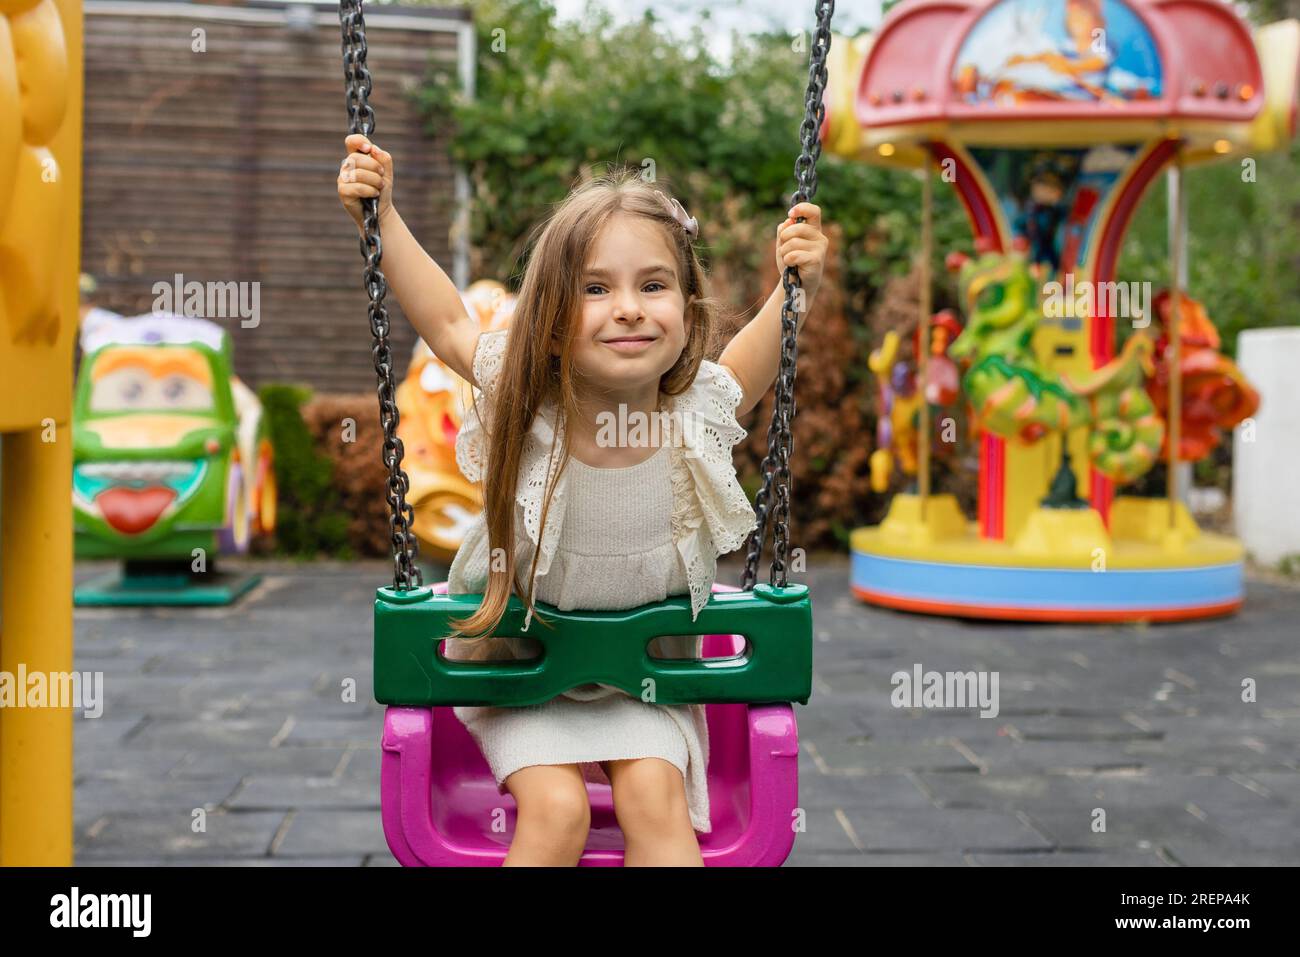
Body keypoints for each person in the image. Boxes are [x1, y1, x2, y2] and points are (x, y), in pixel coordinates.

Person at [337, 135, 828, 866]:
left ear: (686, 305)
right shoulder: (529, 403)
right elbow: (445, 323)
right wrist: (383, 215)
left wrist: (797, 289)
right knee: (558, 813)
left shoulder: (692, 412)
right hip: (522, 675)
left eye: (653, 285)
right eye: (595, 288)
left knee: (656, 806)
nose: (628, 309)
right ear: (552, 316)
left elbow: (753, 359)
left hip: (645, 682)